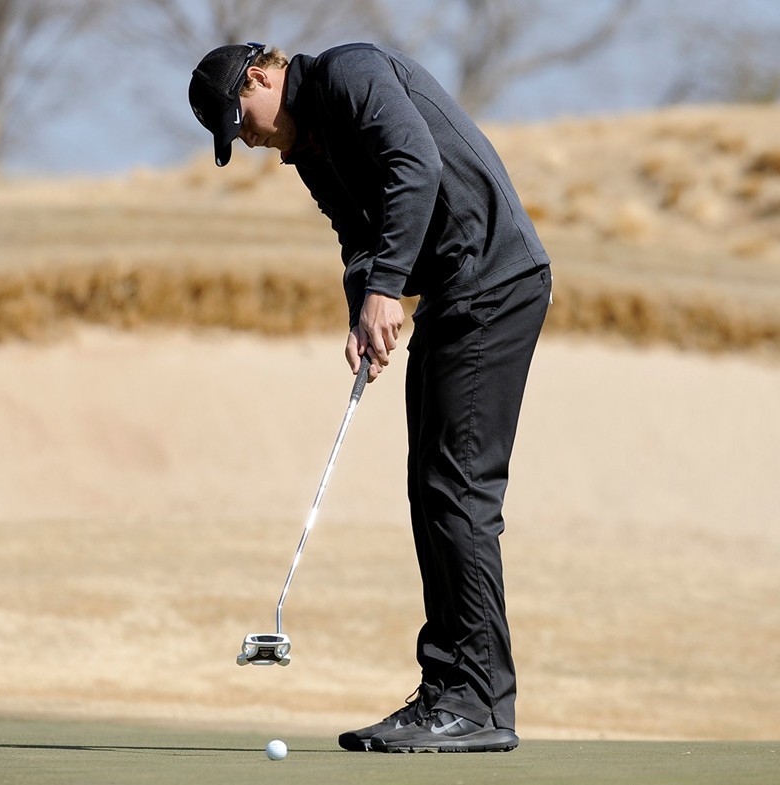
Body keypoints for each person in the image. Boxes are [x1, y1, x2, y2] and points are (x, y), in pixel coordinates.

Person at [189, 41, 552, 754]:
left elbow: (417, 166)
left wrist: (389, 289)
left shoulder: (350, 74)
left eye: (245, 119)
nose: (253, 139)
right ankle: (458, 691)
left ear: (261, 75)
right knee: (434, 490)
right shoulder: (310, 150)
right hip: (457, 296)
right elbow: (357, 233)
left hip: (493, 281)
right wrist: (366, 303)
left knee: (458, 490)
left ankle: (472, 700)